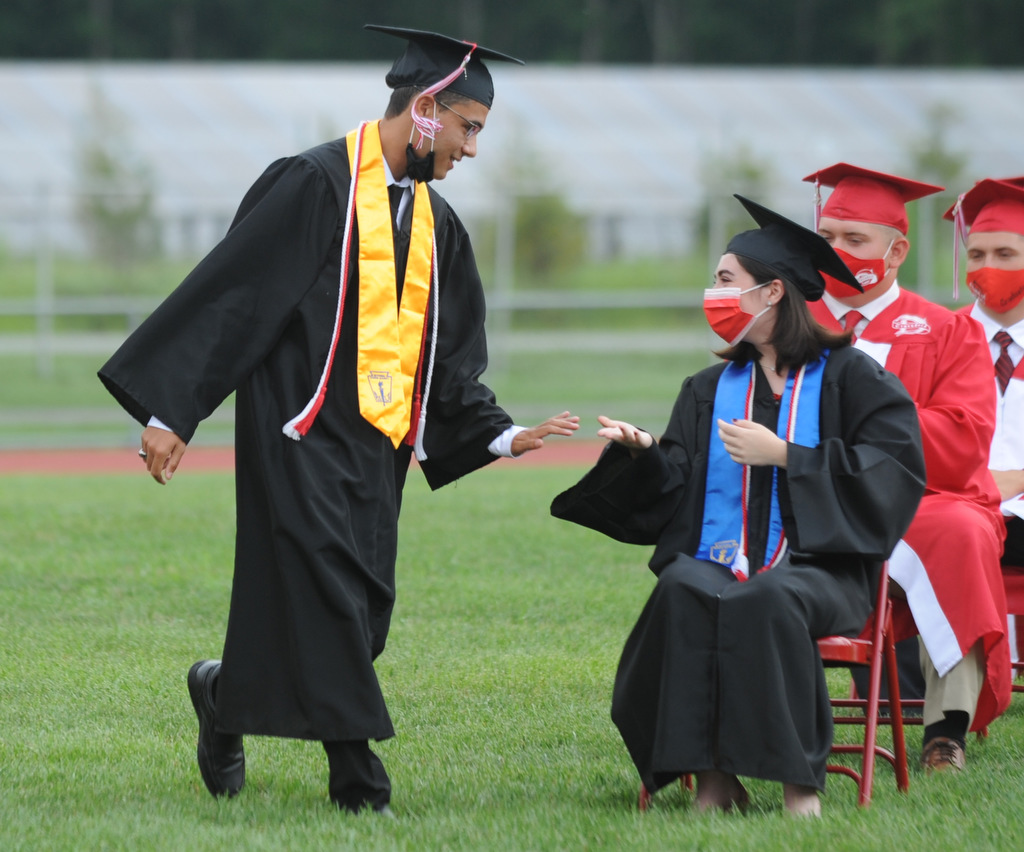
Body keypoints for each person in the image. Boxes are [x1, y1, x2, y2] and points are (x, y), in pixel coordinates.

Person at [98, 24, 579, 815]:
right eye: (466, 127)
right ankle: (360, 784)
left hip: (375, 449)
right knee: (324, 589)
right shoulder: (314, 186)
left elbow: (450, 355)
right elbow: (234, 296)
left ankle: (222, 698)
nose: (471, 149)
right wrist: (171, 409)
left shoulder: (435, 224)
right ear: (424, 110)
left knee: (359, 614)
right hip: (296, 430)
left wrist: (498, 432)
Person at [551, 195, 926, 816]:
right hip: (721, 558)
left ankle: (799, 788)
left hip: (824, 570)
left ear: (773, 293)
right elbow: (677, 492)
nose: (713, 293)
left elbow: (894, 471)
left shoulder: (852, 379)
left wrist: (789, 456)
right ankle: (714, 782)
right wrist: (645, 453)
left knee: (766, 596)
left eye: (726, 281)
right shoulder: (707, 391)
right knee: (683, 589)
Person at [803, 162, 1011, 772]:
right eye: (828, 236)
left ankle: (944, 730)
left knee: (963, 532)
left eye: (854, 240)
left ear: (896, 250)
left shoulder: (948, 332)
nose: (836, 250)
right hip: (804, 490)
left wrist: (865, 419)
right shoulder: (792, 319)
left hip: (922, 498)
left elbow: (964, 438)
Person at [946, 177, 1024, 661]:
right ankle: (923, 699)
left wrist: (1010, 482)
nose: (987, 268)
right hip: (958, 513)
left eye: (1005, 254)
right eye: (976, 254)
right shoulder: (939, 340)